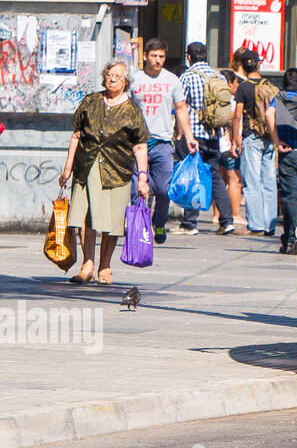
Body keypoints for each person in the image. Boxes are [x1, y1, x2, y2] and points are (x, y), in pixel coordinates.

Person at [59, 61, 150, 284]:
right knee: (86, 217)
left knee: (112, 221)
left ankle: (105, 267)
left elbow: (139, 146)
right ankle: (87, 264)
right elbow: (76, 135)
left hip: (116, 171)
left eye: (117, 76)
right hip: (86, 167)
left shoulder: (132, 111)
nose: (112, 79)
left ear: (125, 81)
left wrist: (143, 177)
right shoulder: (90, 102)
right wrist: (68, 167)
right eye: (109, 75)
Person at [130, 38, 198, 244]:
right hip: (138, 143)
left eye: (161, 57)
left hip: (162, 143)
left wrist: (189, 136)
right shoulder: (134, 79)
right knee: (138, 189)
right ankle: (138, 229)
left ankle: (159, 222)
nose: (158, 60)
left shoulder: (172, 80)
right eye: (154, 56)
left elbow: (180, 108)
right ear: (145, 56)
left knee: (162, 189)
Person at [176, 42, 236, 235]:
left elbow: (180, 106)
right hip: (213, 134)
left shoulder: (187, 77)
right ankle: (226, 221)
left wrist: (180, 133)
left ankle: (190, 222)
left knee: (193, 175)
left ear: (189, 57)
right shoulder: (217, 76)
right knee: (215, 176)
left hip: (192, 135)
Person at [231, 51, 278, 237]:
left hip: (251, 136)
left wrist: (236, 138)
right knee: (269, 180)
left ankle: (256, 225)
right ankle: (270, 223)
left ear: (242, 66)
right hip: (270, 137)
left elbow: (237, 115)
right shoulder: (272, 87)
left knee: (251, 181)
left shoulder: (244, 88)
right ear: (259, 64)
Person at [272, 67, 297, 253]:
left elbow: (267, 114)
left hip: (287, 152)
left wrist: (276, 141)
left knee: (290, 198)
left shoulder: (279, 98)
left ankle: (289, 240)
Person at [218, 68, 246, 226]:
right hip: (230, 145)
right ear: (229, 83)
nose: (237, 86)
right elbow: (234, 121)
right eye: (236, 82)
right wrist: (236, 141)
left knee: (219, 181)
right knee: (234, 180)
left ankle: (217, 215)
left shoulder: (217, 99)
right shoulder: (233, 102)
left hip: (217, 144)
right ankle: (235, 214)